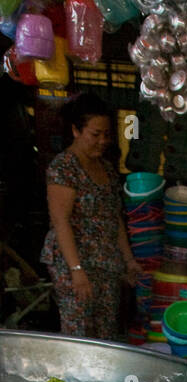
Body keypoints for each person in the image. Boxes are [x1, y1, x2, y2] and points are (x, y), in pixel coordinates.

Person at [41, 93, 139, 341]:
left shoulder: (106, 168)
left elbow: (113, 217)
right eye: (95, 134)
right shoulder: (63, 167)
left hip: (106, 263)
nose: (103, 140)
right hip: (74, 263)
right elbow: (60, 221)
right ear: (76, 130)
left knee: (106, 334)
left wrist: (128, 260)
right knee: (80, 333)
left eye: (107, 134)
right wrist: (77, 270)